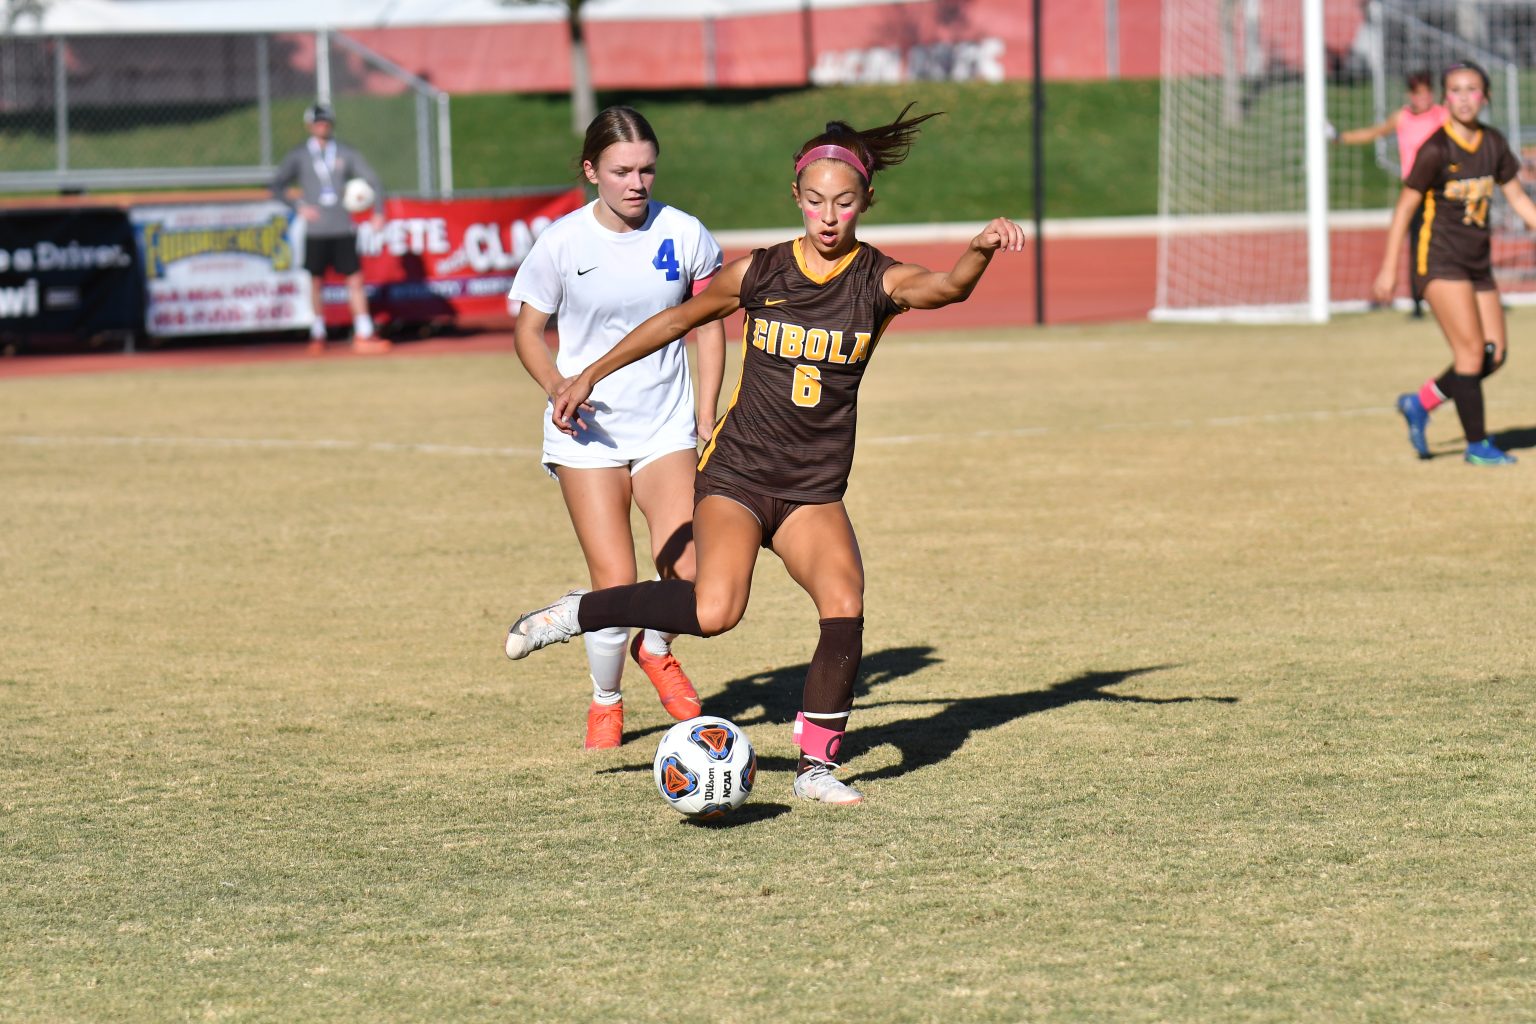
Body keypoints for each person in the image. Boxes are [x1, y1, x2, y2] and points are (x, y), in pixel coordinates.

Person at [504, 104, 1026, 805]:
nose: (828, 216)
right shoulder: (761, 271)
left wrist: (980, 249)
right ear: (796, 197)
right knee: (716, 611)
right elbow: (674, 321)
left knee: (843, 602)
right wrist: (589, 374)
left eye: (844, 202)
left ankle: (815, 769)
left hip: (812, 489)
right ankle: (582, 612)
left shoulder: (879, 279)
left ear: (867, 200)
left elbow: (948, 287)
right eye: (815, 200)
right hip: (739, 478)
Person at [509, 106, 725, 750]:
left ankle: (654, 649)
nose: (637, 183)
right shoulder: (562, 242)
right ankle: (606, 699)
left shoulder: (684, 232)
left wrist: (706, 411)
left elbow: (710, 322)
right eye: (622, 171)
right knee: (616, 582)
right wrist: (557, 388)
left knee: (693, 570)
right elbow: (528, 331)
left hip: (665, 427)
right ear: (591, 171)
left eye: (646, 170)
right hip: (587, 435)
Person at [1375, 62, 1536, 465]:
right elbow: (1405, 208)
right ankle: (1477, 446)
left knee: (1493, 355)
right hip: (1439, 261)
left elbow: (1518, 199)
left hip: (1477, 264)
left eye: (1472, 90)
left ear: (1486, 97)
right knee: (1470, 352)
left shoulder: (1493, 143)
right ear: (1446, 99)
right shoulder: (1436, 149)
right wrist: (1389, 268)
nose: (1464, 98)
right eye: (1456, 90)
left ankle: (1419, 403)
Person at [271, 102, 388, 355]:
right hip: (316, 230)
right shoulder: (300, 155)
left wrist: (378, 212)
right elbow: (276, 185)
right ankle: (318, 333)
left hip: (342, 226)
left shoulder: (345, 152)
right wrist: (298, 206)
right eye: (318, 123)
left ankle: (364, 331)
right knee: (315, 281)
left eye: (325, 122)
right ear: (309, 125)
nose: (322, 127)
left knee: (355, 279)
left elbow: (374, 181)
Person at [1335, 70, 1446, 318]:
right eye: (1418, 93)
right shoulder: (1402, 118)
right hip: (1415, 190)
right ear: (1410, 95)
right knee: (1417, 246)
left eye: (1427, 92)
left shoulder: (1442, 115)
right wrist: (1342, 138)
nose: (1423, 98)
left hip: (1442, 190)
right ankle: (1418, 303)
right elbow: (1374, 132)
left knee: (1451, 243)